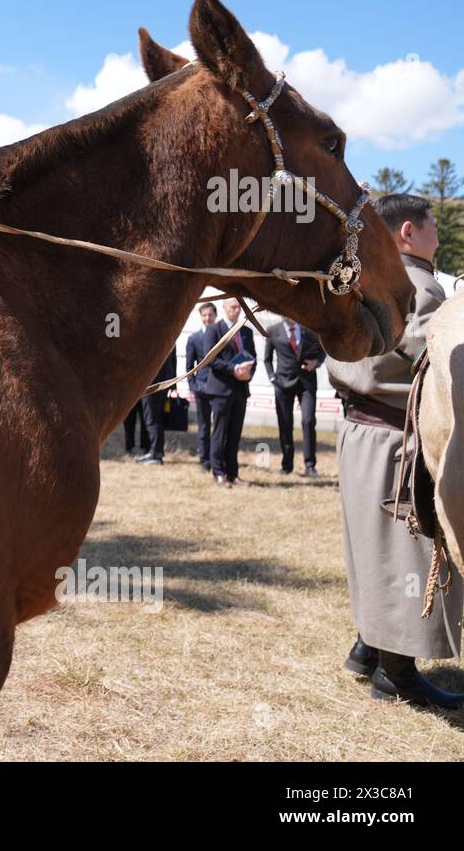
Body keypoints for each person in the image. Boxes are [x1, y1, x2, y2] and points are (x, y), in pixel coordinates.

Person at [327, 193, 463, 708]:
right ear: (408, 231)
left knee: (373, 546)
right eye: (432, 227)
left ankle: (368, 649)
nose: (438, 235)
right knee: (407, 551)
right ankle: (397, 674)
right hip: (398, 438)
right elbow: (443, 367)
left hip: (363, 434)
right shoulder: (421, 287)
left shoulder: (353, 277)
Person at [263, 314, 324, 477]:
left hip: (307, 384)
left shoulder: (309, 329)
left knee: (308, 421)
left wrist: (316, 362)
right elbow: (267, 359)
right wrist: (272, 378)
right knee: (285, 423)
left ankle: (310, 465)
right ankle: (287, 464)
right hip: (283, 384)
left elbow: (323, 350)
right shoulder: (272, 331)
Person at [204, 300, 254, 487]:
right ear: (224, 308)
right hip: (221, 389)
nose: (236, 310)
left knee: (234, 434)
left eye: (238, 307)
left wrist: (248, 373)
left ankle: (233, 473)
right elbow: (209, 359)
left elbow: (252, 357)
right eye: (232, 306)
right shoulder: (214, 330)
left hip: (240, 389)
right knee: (220, 433)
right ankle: (218, 472)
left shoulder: (246, 331)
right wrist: (233, 369)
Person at [185, 302, 220, 471]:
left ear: (216, 316)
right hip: (202, 387)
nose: (207, 318)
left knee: (219, 426)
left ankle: (217, 459)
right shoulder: (194, 338)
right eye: (204, 315)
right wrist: (193, 385)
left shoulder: (224, 335)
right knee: (204, 426)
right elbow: (189, 365)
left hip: (220, 387)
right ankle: (204, 460)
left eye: (210, 315)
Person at [137, 347, 176, 465]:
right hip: (164, 382)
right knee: (157, 419)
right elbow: (173, 362)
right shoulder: (169, 336)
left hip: (152, 384)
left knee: (151, 420)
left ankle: (155, 454)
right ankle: (157, 452)